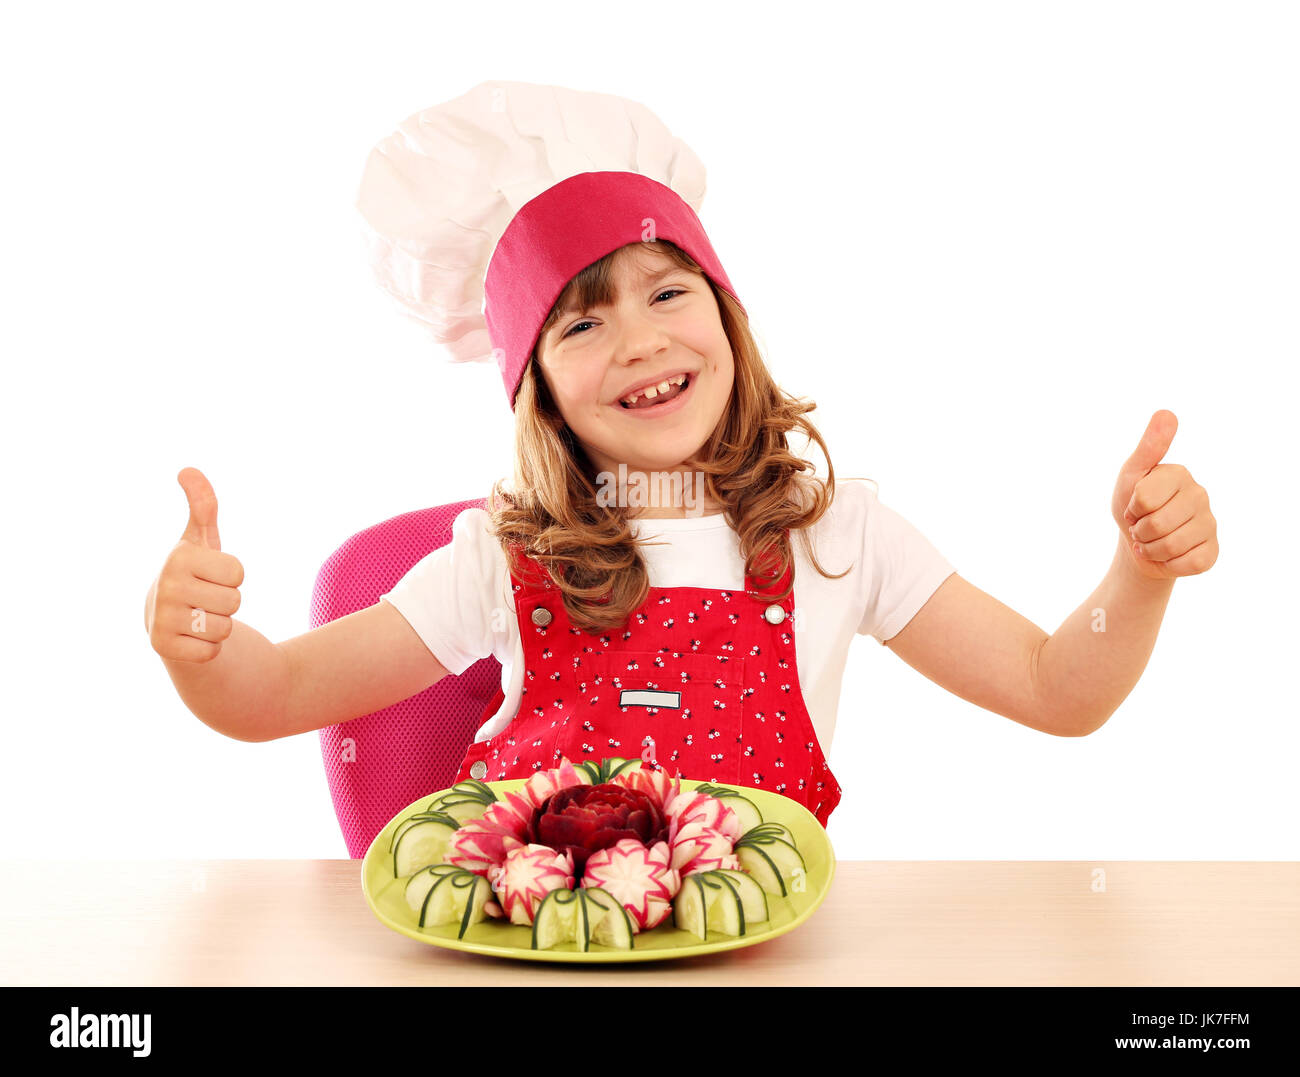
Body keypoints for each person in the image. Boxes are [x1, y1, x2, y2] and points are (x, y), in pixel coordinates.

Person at [144, 82, 1219, 831]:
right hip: (529, 955)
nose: (640, 340)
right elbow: (276, 693)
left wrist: (1140, 573)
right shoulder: (502, 560)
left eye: (666, 291)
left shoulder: (839, 537)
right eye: (581, 322)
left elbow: (1054, 689)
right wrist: (201, 646)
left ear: (727, 318)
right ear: (538, 393)